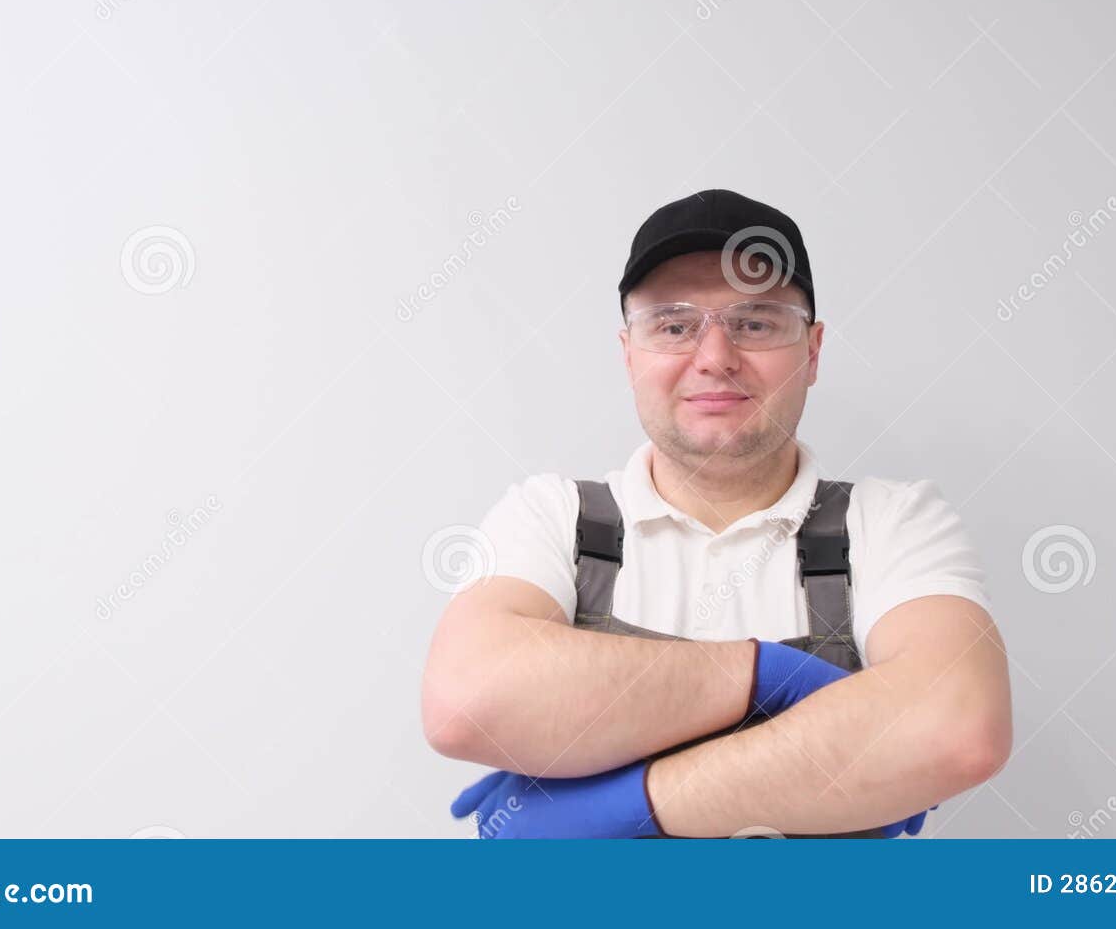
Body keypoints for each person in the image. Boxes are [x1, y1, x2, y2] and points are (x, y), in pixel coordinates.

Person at [422, 188, 1013, 838]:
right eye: (673, 326)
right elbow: (465, 702)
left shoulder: (890, 523)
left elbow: (956, 728)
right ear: (628, 353)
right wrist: (767, 679)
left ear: (812, 351)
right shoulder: (554, 517)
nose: (714, 358)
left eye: (755, 323)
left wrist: (622, 804)